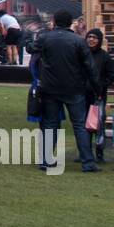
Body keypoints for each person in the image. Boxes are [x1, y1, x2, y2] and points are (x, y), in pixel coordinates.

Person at [28, 9, 100, 172]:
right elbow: (90, 67)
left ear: (54, 21)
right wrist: (97, 88)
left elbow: (31, 49)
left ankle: (46, 160)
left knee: (50, 124)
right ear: (70, 23)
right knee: (79, 125)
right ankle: (87, 162)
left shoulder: (45, 38)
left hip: (50, 88)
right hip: (74, 88)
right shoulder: (78, 41)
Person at [85, 28, 114, 163]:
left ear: (99, 40)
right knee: (83, 124)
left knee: (98, 124)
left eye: (95, 38)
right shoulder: (82, 54)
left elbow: (112, 75)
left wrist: (101, 85)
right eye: (89, 37)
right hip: (82, 95)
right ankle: (85, 152)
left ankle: (99, 153)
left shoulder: (105, 56)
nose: (91, 40)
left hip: (98, 96)